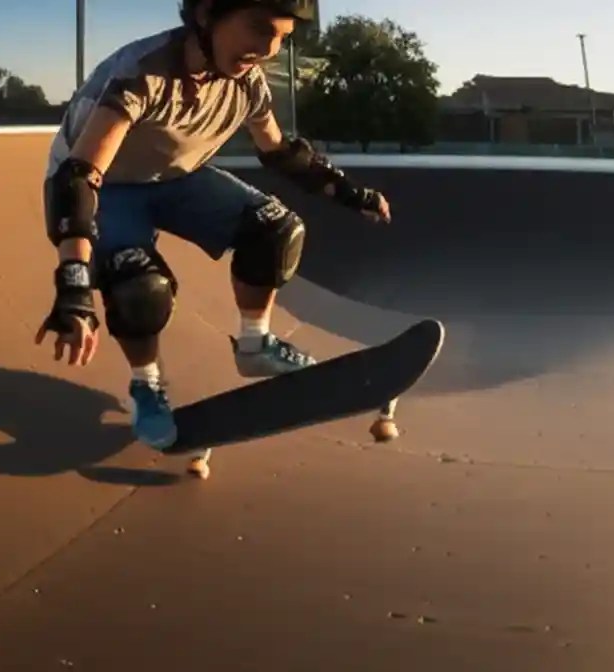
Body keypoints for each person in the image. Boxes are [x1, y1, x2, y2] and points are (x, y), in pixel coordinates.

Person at [35, 0, 391, 450]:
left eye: (281, 37)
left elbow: (280, 151)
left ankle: (254, 345)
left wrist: (348, 192)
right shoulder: (142, 74)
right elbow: (79, 179)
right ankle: (147, 385)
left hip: (176, 177)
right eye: (259, 29)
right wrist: (73, 285)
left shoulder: (248, 84)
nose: (267, 48)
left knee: (275, 230)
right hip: (105, 188)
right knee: (139, 289)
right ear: (206, 16)